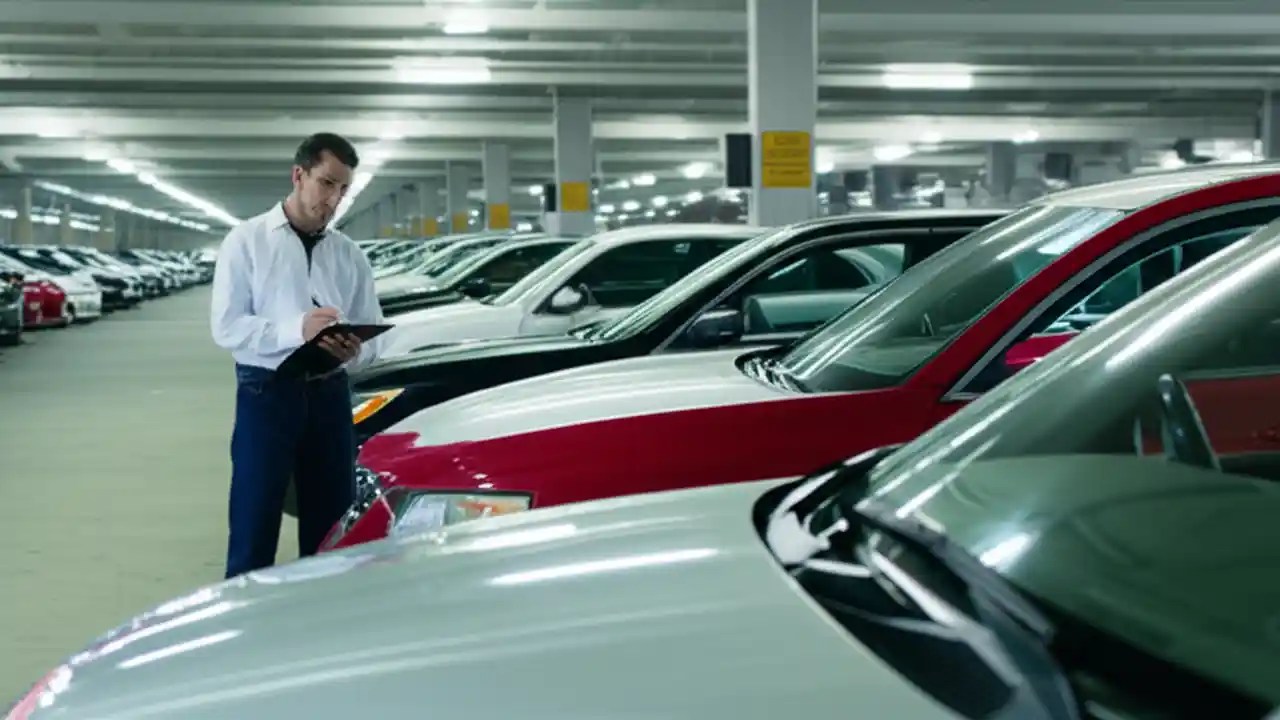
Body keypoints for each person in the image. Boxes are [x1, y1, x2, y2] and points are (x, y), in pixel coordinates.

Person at [210, 132, 385, 579]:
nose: (334, 198)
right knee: (254, 522)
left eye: (343, 189)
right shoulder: (246, 242)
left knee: (331, 530)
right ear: (298, 174)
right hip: (266, 394)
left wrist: (353, 352)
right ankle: (246, 628)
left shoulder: (349, 255)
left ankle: (322, 629)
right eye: (326, 183)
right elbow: (227, 327)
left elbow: (374, 339)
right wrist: (297, 330)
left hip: (329, 398)